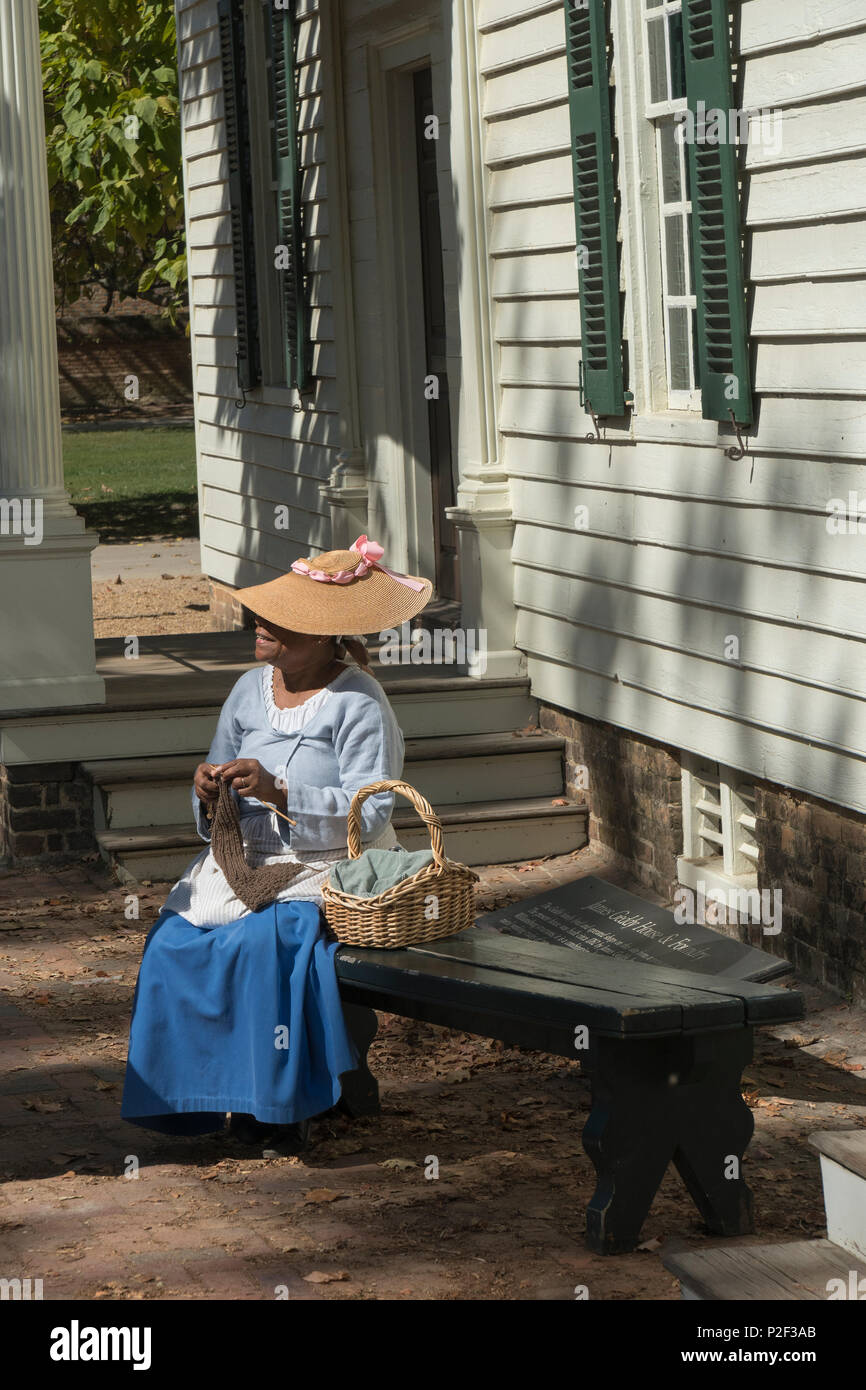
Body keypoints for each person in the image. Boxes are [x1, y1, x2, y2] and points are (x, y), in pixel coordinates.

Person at [121, 535, 433, 1152]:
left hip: (327, 860)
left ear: (323, 637)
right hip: (246, 858)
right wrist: (208, 789)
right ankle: (203, 1096)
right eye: (265, 614)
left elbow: (370, 815)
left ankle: (276, 1108)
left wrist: (279, 791)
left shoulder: (358, 700)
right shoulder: (247, 690)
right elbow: (213, 785)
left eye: (281, 621)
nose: (261, 625)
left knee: (270, 944)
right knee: (174, 943)